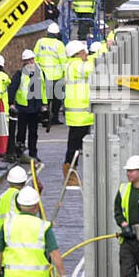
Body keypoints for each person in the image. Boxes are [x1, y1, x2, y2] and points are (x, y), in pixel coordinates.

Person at [62, 40, 93, 188]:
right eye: (84, 51)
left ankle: (71, 173)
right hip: (81, 114)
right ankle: (70, 175)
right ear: (78, 54)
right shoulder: (77, 65)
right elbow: (95, 67)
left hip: (78, 114)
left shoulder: (71, 65)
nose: (86, 54)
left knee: (74, 146)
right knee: (75, 147)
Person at [13, 48, 47, 163]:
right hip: (23, 107)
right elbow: (13, 88)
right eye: (28, 60)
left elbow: (44, 89)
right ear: (24, 62)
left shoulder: (40, 72)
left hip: (35, 107)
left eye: (32, 59)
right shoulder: (19, 74)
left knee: (33, 132)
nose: (31, 62)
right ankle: (19, 154)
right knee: (21, 132)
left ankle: (33, 153)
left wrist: (44, 104)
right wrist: (10, 104)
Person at [33, 23, 67, 129]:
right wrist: (66, 75)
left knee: (44, 98)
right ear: (57, 34)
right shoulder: (59, 44)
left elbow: (35, 57)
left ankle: (44, 117)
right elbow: (63, 61)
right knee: (57, 99)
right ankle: (55, 118)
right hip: (56, 76)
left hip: (43, 75)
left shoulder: (40, 42)